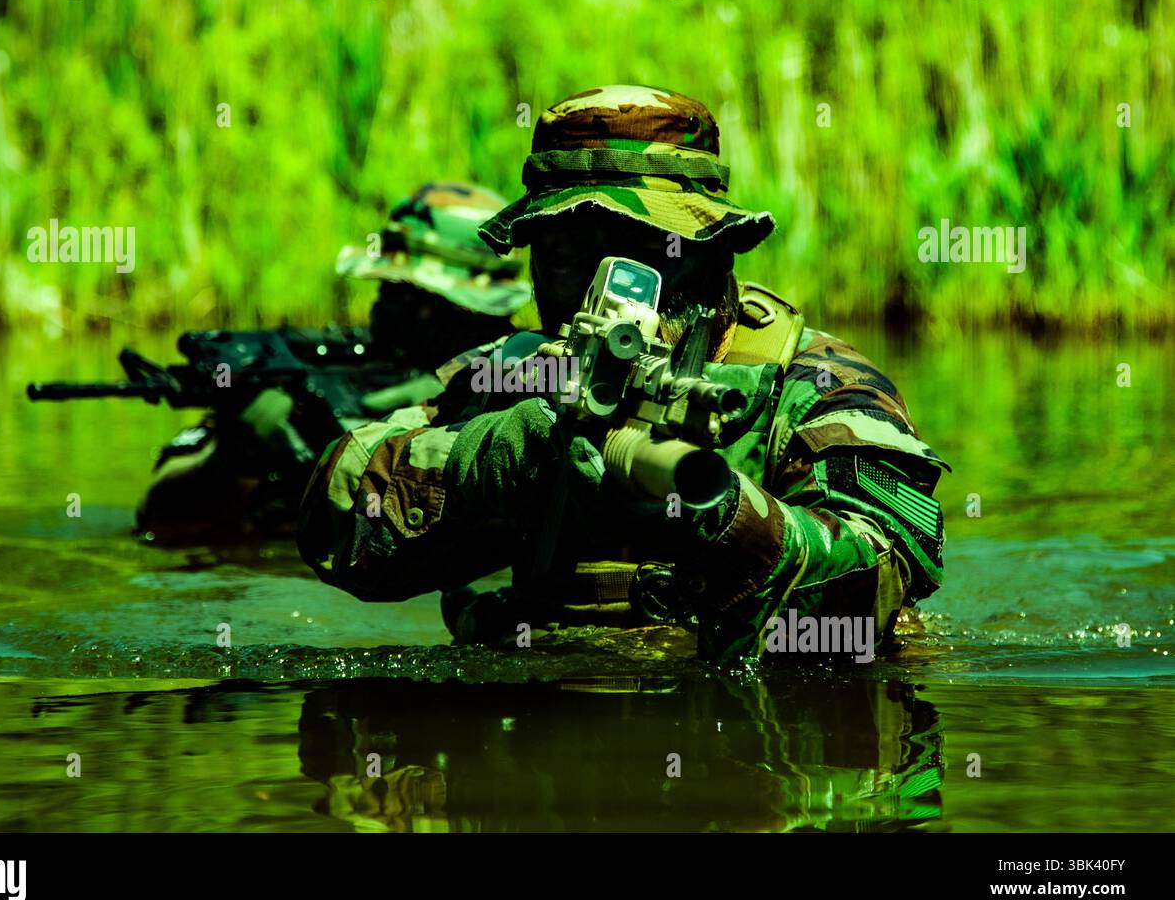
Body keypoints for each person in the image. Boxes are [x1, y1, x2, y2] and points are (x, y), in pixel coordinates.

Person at [296, 86, 947, 665]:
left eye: (640, 251)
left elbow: (885, 574)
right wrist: (497, 460)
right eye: (563, 257)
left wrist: (729, 521)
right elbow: (333, 524)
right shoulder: (518, 373)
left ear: (713, 250)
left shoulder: (817, 387)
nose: (601, 292)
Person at [135, 181, 531, 544]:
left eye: (409, 293)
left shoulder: (524, 383)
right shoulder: (332, 371)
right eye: (389, 289)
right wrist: (235, 460)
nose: (384, 307)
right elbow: (157, 519)